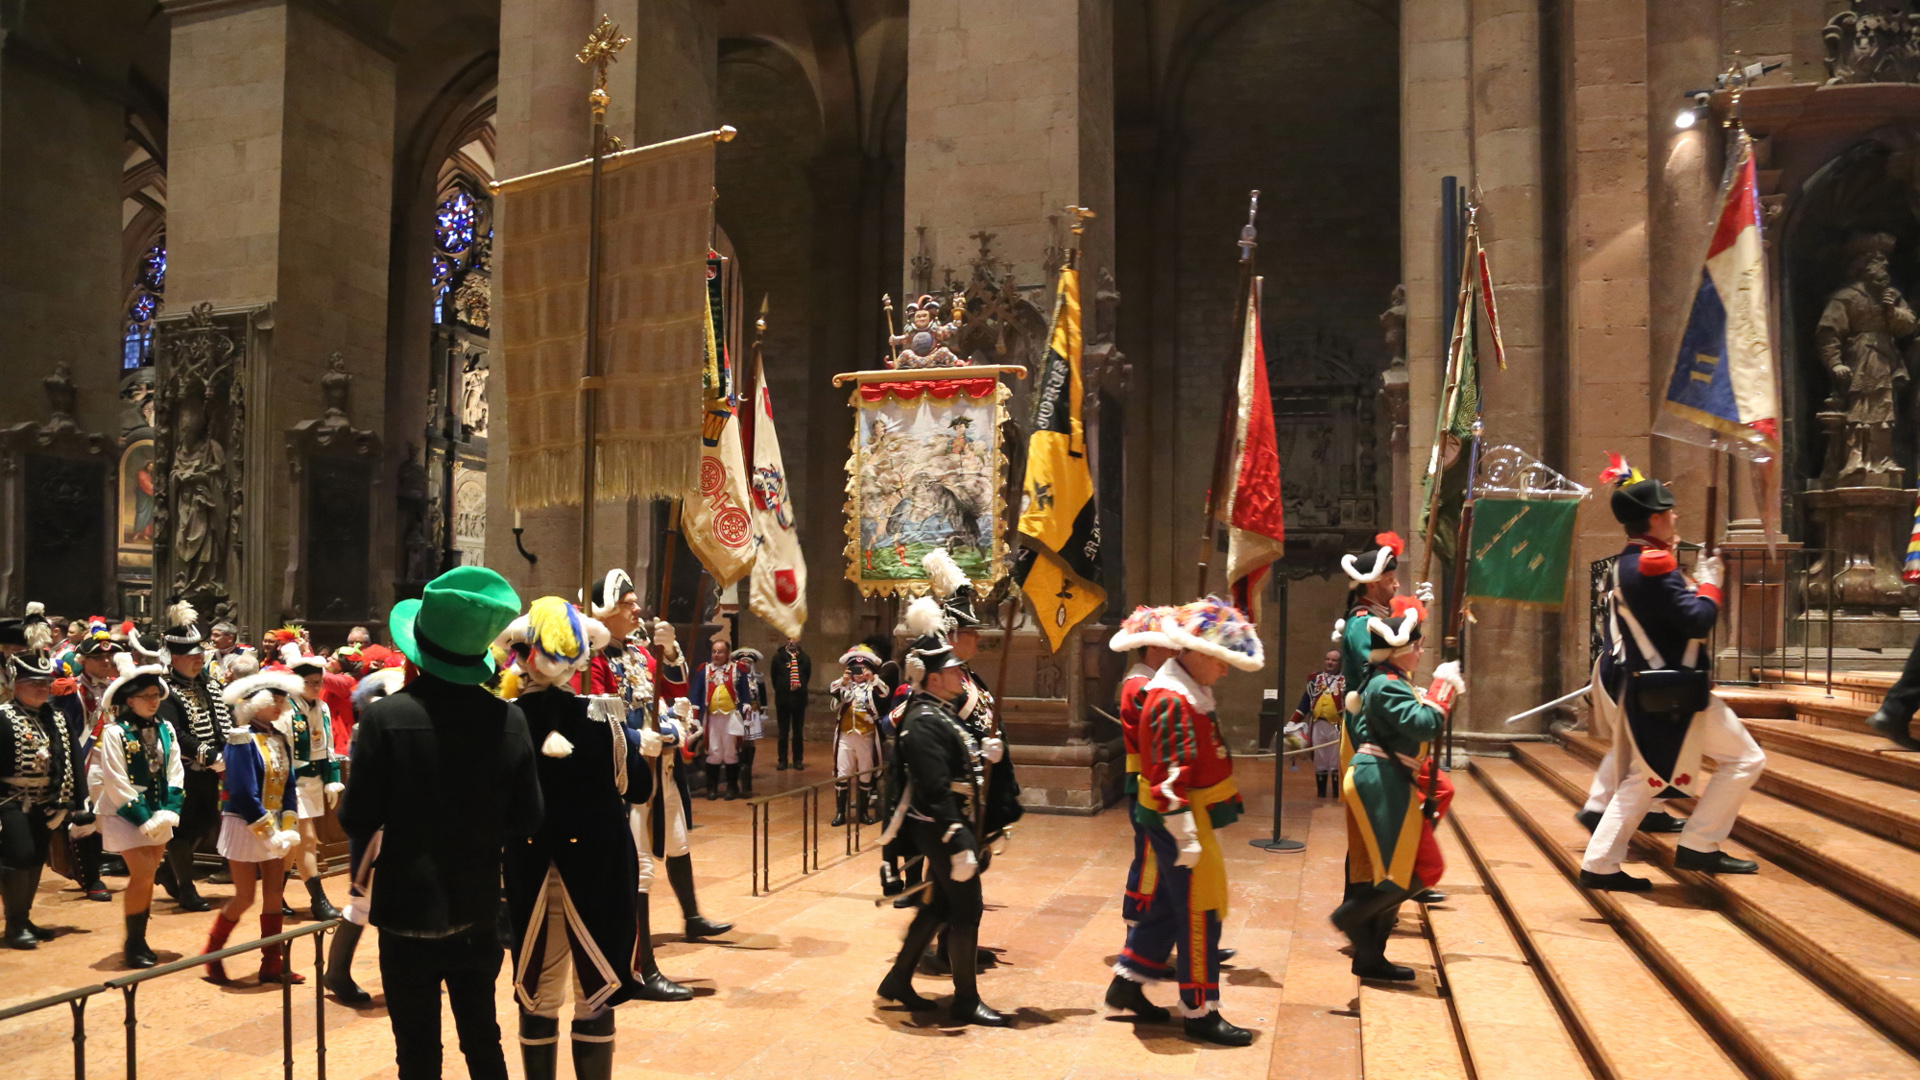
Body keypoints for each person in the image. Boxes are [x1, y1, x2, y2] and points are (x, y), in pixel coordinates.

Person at [338, 566, 544, 1080]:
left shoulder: (384, 719)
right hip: (476, 906)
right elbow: (528, 818)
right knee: (484, 1042)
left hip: (405, 910)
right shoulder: (510, 720)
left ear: (417, 652)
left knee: (417, 1054)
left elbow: (357, 818)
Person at [1579, 456, 1764, 891]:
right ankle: (1699, 843)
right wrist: (1711, 583)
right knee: (1744, 759)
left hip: (1655, 688)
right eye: (1670, 511)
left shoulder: (1628, 561)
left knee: (1647, 777)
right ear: (1655, 519)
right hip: (1675, 691)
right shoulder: (1654, 563)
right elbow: (1697, 620)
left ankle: (1602, 864)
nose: (1675, 517)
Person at [496, 597, 654, 1080]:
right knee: (595, 993)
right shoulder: (604, 718)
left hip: (530, 869)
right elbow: (638, 788)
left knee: (539, 994)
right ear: (579, 660)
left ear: (522, 657)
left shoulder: (504, 720)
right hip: (598, 870)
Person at [1109, 598, 1262, 1046]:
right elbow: (1167, 772)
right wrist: (1184, 831)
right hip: (1180, 819)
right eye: (1219, 660)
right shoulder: (1171, 699)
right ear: (1194, 653)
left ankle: (1128, 981)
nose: (1225, 670)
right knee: (1201, 912)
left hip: (1186, 816)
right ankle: (1199, 1009)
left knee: (1163, 904)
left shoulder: (1183, 690)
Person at [874, 629, 1011, 1027]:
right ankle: (966, 1000)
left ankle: (898, 979)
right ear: (934, 678)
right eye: (952, 671)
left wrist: (983, 753)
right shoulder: (922, 720)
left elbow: (955, 757)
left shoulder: (939, 711)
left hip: (947, 824)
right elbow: (934, 790)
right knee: (967, 908)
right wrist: (959, 840)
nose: (959, 676)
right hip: (939, 827)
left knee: (940, 905)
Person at [1331, 596, 1462, 982]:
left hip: (1389, 776)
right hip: (1381, 777)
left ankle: (1370, 956)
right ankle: (1351, 916)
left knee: (1401, 871)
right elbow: (1423, 725)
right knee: (1410, 870)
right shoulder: (1386, 685)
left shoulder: (1391, 681)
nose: (1421, 651)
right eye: (1416, 646)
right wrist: (1443, 688)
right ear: (1397, 651)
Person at [203, 668, 308, 983]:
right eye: (274, 700)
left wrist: (288, 827)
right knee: (245, 896)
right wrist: (269, 832)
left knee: (274, 893)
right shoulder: (240, 739)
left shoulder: (279, 737)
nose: (280, 706)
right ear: (255, 702)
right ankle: (212, 955)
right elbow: (241, 792)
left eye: (282, 700)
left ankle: (272, 963)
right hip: (245, 823)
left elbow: (289, 786)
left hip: (274, 824)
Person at [87, 650, 182, 968]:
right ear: (130, 700)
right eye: (146, 696)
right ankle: (133, 943)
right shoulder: (115, 732)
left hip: (159, 810)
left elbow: (175, 769)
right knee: (142, 875)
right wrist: (143, 818)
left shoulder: (166, 728)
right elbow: (115, 780)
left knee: (148, 875)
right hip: (125, 812)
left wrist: (170, 808)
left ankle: (140, 938)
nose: (153, 701)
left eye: (156, 695)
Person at [326, 660, 406, 1005]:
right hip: (377, 828)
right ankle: (337, 972)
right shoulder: (370, 729)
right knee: (362, 903)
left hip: (395, 825)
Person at [1104, 606, 1179, 936]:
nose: (1176, 651)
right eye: (1169, 644)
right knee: (1150, 857)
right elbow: (1158, 737)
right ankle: (1137, 928)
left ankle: (1167, 930)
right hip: (1147, 780)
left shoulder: (1154, 682)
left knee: (1165, 859)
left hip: (1159, 779)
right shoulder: (1139, 686)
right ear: (1152, 646)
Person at [152, 601, 227, 913]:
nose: (198, 660)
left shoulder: (208, 684)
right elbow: (175, 733)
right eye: (191, 656)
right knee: (183, 829)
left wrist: (227, 751)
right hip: (181, 771)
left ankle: (169, 871)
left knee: (207, 823)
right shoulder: (165, 690)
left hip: (209, 769)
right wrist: (208, 754)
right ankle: (185, 888)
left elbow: (221, 722)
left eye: (200, 655)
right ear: (174, 658)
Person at [1, 650, 76, 948]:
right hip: (10, 800)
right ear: (16, 685)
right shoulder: (3, 717)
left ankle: (25, 917)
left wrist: (73, 802)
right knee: (19, 857)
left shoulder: (56, 717)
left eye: (45, 683)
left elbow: (70, 759)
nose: (42, 688)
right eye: (34, 683)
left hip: (47, 800)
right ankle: (14, 925)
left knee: (36, 857)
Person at [281, 645, 345, 919]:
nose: (316, 687)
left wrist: (332, 778)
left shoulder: (323, 707)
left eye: (319, 682)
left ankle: (274, 894)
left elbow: (328, 746)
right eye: (309, 683)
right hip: (290, 783)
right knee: (307, 839)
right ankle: (319, 901)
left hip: (313, 782)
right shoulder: (285, 707)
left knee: (292, 845)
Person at [829, 645, 885, 827]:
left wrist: (873, 679)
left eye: (863, 669)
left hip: (866, 737)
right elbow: (833, 692)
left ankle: (863, 812)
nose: (859, 673)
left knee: (865, 773)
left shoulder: (873, 687)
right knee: (842, 773)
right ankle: (840, 812)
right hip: (846, 737)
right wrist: (844, 680)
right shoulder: (845, 686)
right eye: (855, 669)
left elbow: (884, 693)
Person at [691, 637, 749, 801]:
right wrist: (695, 717)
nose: (716, 655)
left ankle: (732, 788)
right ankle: (711, 788)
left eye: (720, 652)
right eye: (714, 652)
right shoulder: (704, 670)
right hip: (711, 718)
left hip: (731, 717)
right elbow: (696, 694)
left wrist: (746, 713)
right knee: (713, 751)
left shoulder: (737, 670)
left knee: (730, 751)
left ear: (727, 653)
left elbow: (744, 694)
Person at [1290, 651, 1346, 798]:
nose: (1330, 662)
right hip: (1317, 724)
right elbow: (1305, 702)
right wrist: (1292, 721)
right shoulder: (1315, 679)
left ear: (1340, 663)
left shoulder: (1346, 680)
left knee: (1335, 760)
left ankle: (1336, 793)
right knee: (1319, 758)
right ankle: (1321, 793)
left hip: (1337, 726)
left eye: (1334, 660)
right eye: (1328, 659)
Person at [771, 637, 811, 770]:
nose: (792, 641)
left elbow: (807, 676)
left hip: (799, 700)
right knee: (783, 732)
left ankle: (798, 760)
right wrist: (782, 688)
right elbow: (773, 677)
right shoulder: (778, 657)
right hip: (783, 700)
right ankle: (782, 760)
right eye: (789, 638)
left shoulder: (805, 658)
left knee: (798, 732)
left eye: (794, 638)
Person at [733, 647, 766, 797]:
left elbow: (762, 695)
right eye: (743, 662)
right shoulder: (735, 678)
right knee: (737, 743)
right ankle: (739, 771)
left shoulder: (757, 678)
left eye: (749, 663)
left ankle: (747, 769)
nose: (746, 665)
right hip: (739, 712)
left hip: (753, 712)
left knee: (750, 742)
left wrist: (763, 710)